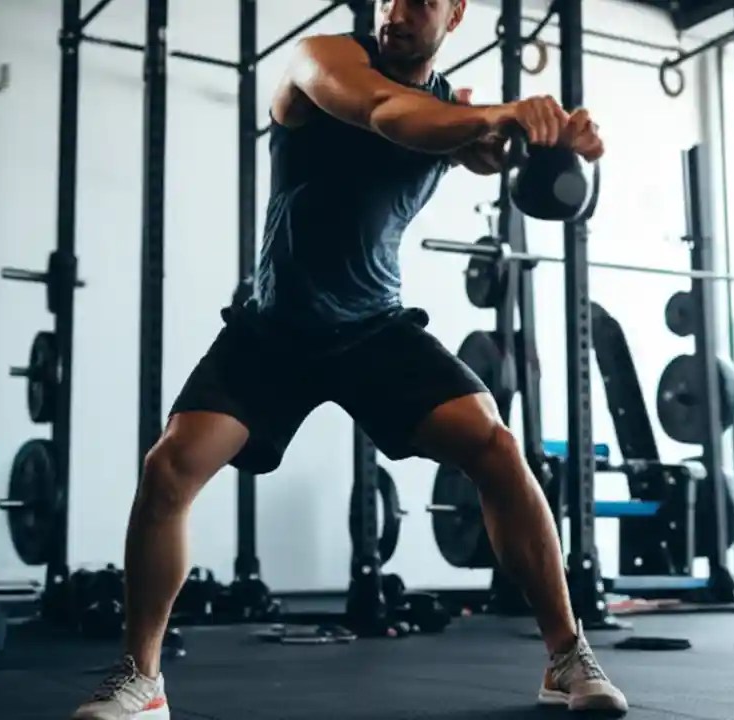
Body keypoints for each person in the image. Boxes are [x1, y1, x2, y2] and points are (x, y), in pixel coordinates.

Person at [72, 1, 625, 718]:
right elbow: (393, 116)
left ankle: (566, 655)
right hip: (275, 328)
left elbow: (480, 143)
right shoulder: (321, 62)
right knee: (169, 465)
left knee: (495, 445)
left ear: (455, 14)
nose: (397, 8)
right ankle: (140, 680)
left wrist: (559, 137)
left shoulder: (457, 112)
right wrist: (506, 117)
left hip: (375, 331)